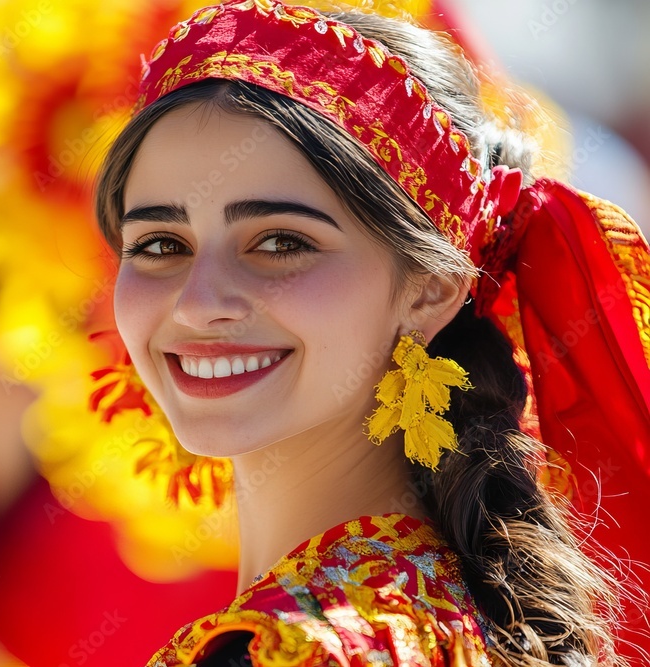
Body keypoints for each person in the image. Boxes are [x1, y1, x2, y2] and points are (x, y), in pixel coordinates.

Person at [90, 1, 650, 665]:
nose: (198, 302)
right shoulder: (454, 613)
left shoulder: (302, 646)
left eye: (278, 241)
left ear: (432, 287)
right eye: (159, 243)